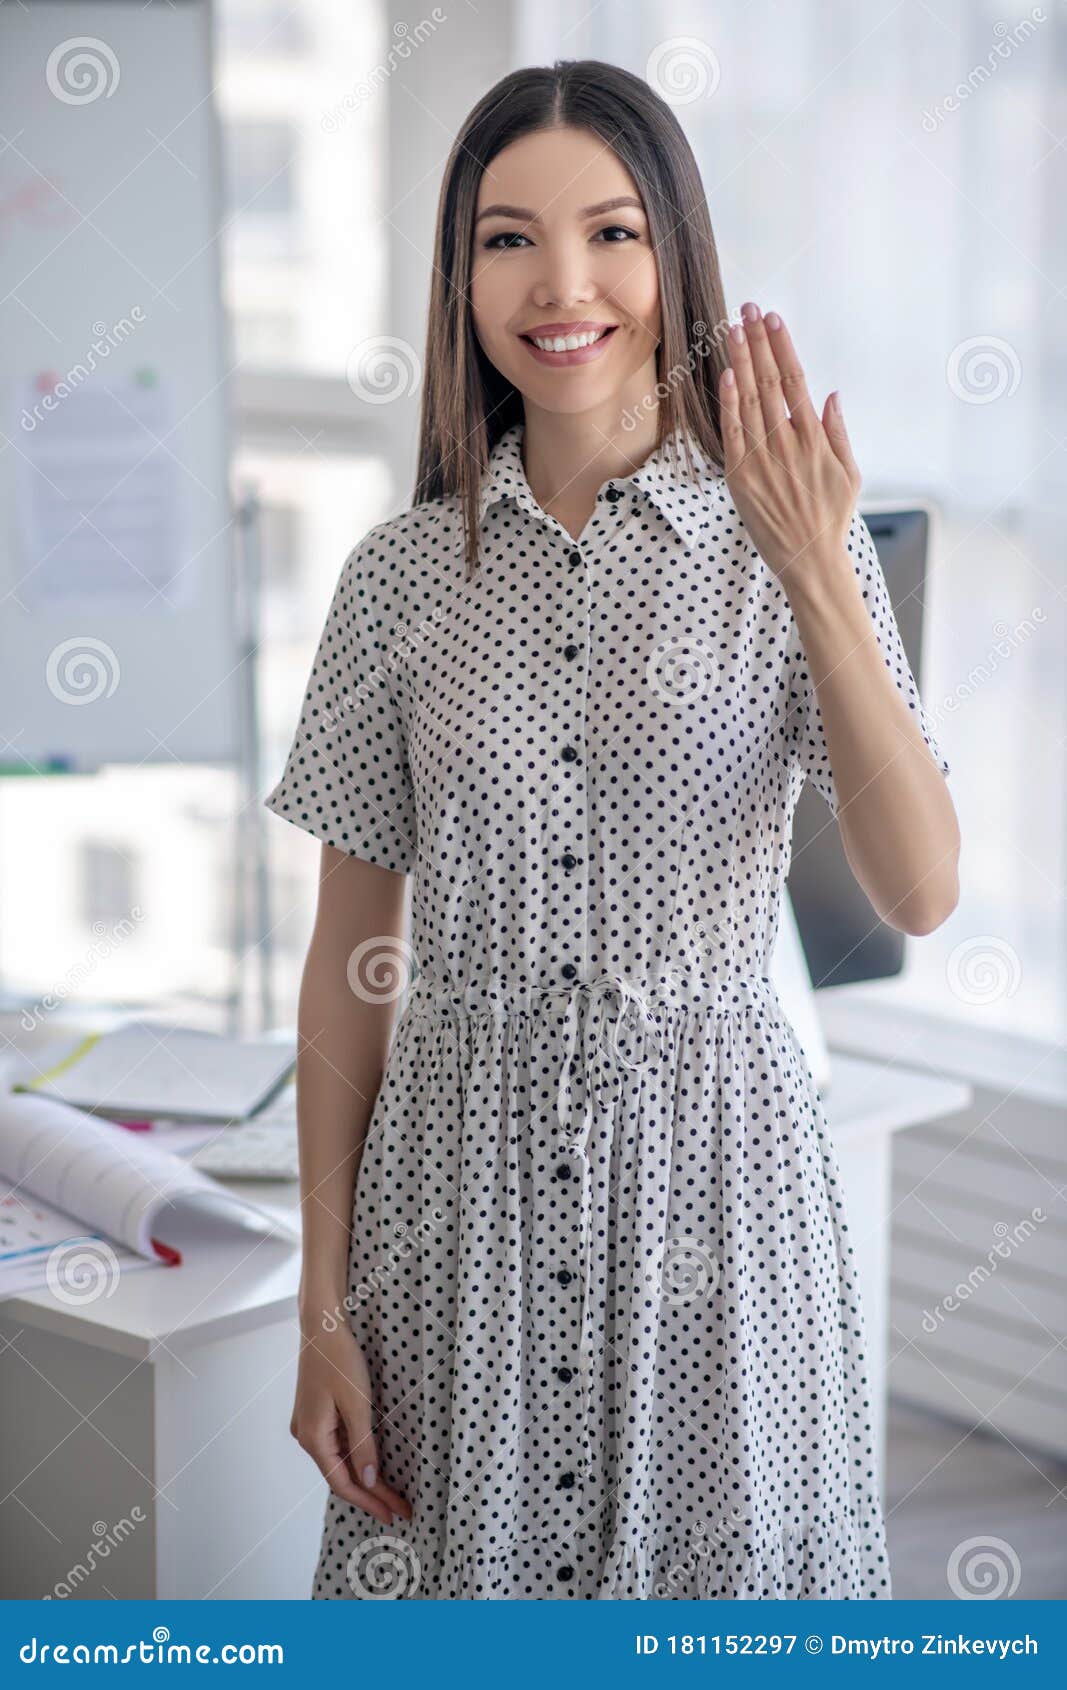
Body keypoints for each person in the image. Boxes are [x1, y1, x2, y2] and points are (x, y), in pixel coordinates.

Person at [264, 59, 959, 1601]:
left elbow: (919, 887)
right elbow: (343, 969)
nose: (561, 284)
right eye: (508, 238)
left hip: (721, 1196)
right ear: (462, 274)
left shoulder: (790, 544)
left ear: (677, 262)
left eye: (614, 233)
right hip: (455, 1210)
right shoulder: (394, 580)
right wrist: (324, 1305)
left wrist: (818, 575)